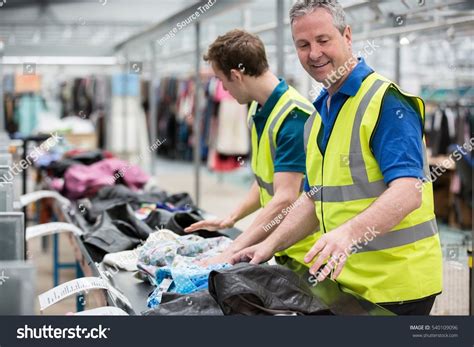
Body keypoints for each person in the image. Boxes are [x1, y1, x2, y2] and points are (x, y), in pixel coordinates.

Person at [231, 0, 442, 316]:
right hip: (348, 281)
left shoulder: (385, 103)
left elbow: (408, 192)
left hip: (395, 286)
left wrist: (347, 234)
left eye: (323, 40)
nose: (313, 53)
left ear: (347, 36)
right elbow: (314, 198)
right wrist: (267, 246)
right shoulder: (320, 114)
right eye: (303, 45)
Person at [185, 29, 318, 266]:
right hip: (282, 245)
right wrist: (232, 217)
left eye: (221, 80)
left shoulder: (294, 118)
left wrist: (232, 250)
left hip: (307, 251)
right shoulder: (259, 109)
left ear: (236, 76)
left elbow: (285, 197)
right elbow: (266, 181)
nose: (223, 89)